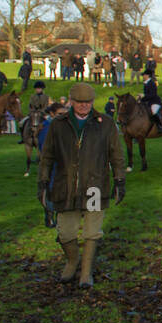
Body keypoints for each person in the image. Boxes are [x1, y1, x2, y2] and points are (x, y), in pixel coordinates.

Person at [37, 82, 126, 288]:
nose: (84, 106)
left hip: (95, 186)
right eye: (79, 102)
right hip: (65, 186)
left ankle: (86, 273)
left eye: (88, 102)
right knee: (65, 232)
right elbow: (47, 156)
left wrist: (120, 181)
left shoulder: (106, 124)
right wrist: (42, 184)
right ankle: (72, 260)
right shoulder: (58, 124)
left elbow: (117, 155)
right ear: (71, 102)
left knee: (92, 231)